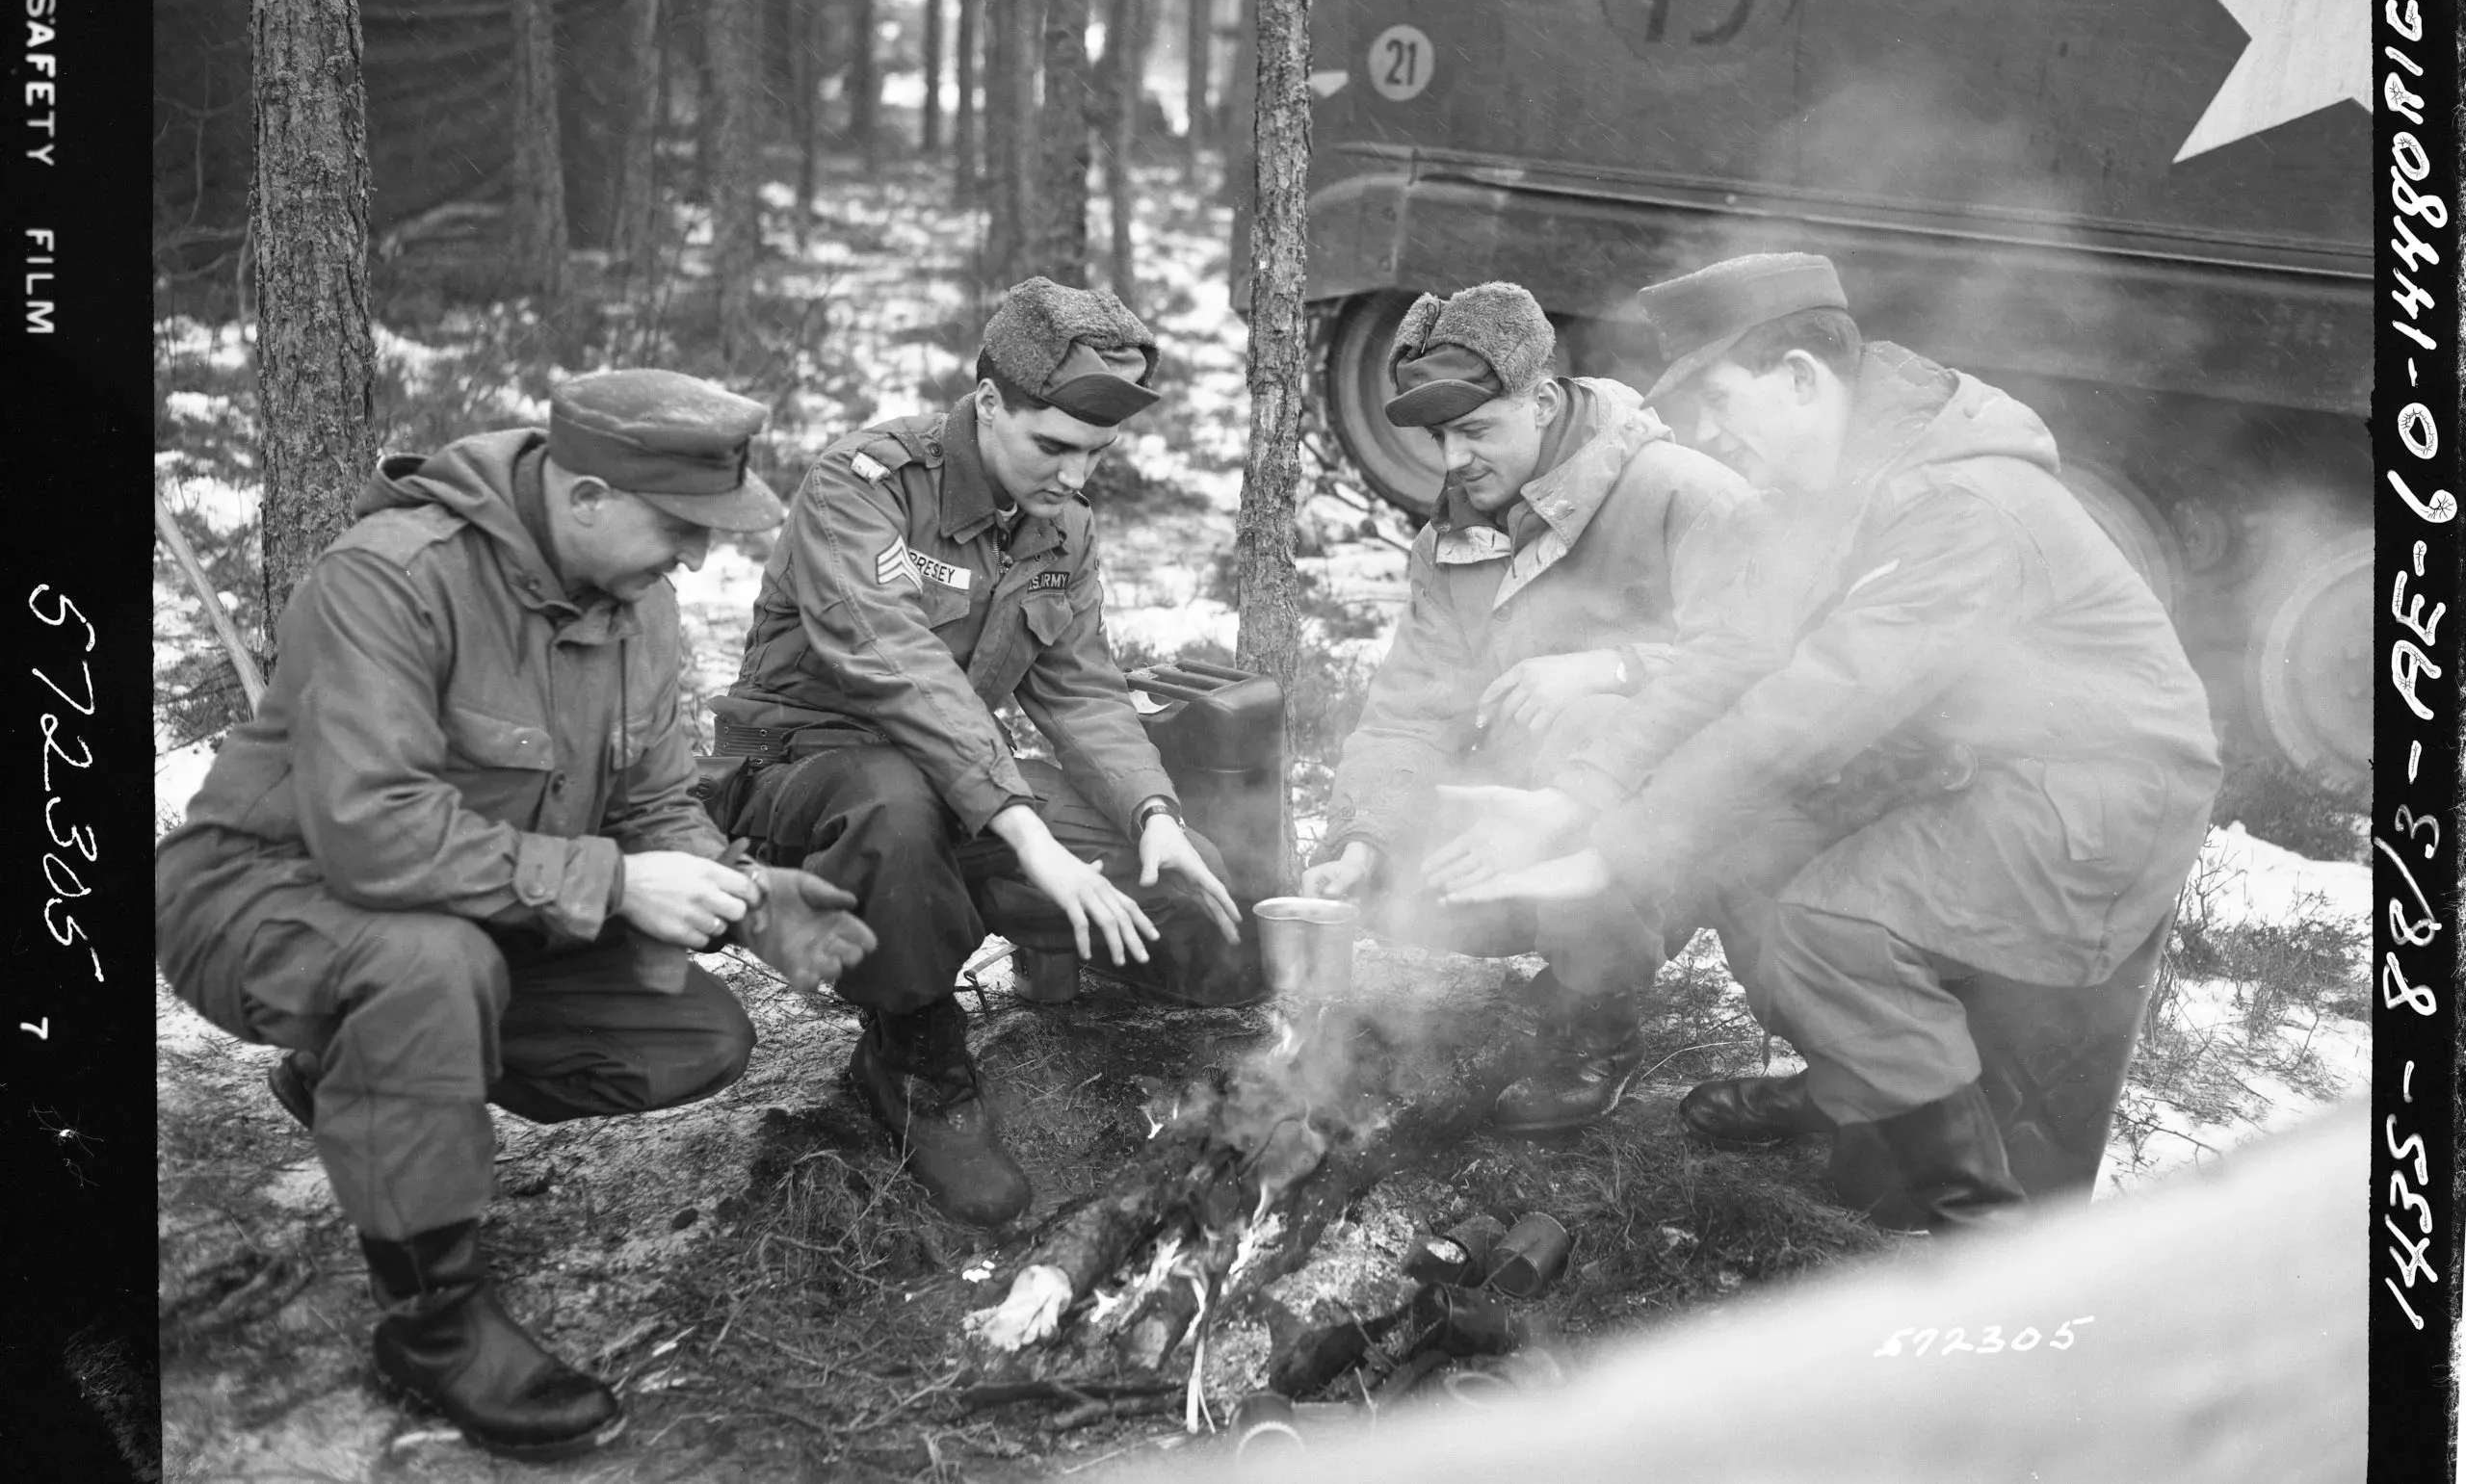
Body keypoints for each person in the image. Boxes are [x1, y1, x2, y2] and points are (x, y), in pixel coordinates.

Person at [156, 372, 875, 1462]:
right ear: (585, 496)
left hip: (473, 908)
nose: (693, 555)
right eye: (679, 526)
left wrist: (735, 892)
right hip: (261, 895)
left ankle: (363, 1085)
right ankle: (434, 1322)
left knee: (694, 1035)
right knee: (423, 966)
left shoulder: (641, 606)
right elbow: (371, 828)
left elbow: (654, 801)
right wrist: (621, 885)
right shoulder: (390, 577)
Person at [1434, 253, 2221, 1234]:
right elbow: (1730, 663)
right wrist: (1575, 796)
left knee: (1826, 925)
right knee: (1739, 853)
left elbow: (1811, 709)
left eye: (1719, 401)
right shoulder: (1826, 489)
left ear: (1802, 377)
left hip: (2092, 787)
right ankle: (1851, 1080)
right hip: (1956, 749)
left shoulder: (1956, 507)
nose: (1704, 434)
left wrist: (1618, 845)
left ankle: (1979, 1226)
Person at [712, 277, 1247, 1229]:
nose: (1076, 478)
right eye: (1053, 447)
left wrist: (1153, 814)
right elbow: (896, 664)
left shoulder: (1059, 523)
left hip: (957, 779)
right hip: (803, 782)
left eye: (1096, 453)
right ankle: (913, 1053)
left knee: (1138, 840)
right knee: (899, 808)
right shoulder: (861, 484)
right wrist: (1028, 835)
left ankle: (1066, 965)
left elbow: (1082, 686)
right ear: (990, 402)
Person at [1297, 281, 1754, 1133]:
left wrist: (1612, 668)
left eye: (1475, 430)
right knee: (1395, 862)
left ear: (1542, 401)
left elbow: (1764, 670)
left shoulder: (1688, 495)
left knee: (1581, 725)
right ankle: (1564, 951)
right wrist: (1361, 843)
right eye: (1439, 437)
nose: (1451, 462)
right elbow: (1410, 710)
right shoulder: (1453, 536)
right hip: (1536, 805)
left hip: (1677, 822)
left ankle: (1598, 1016)